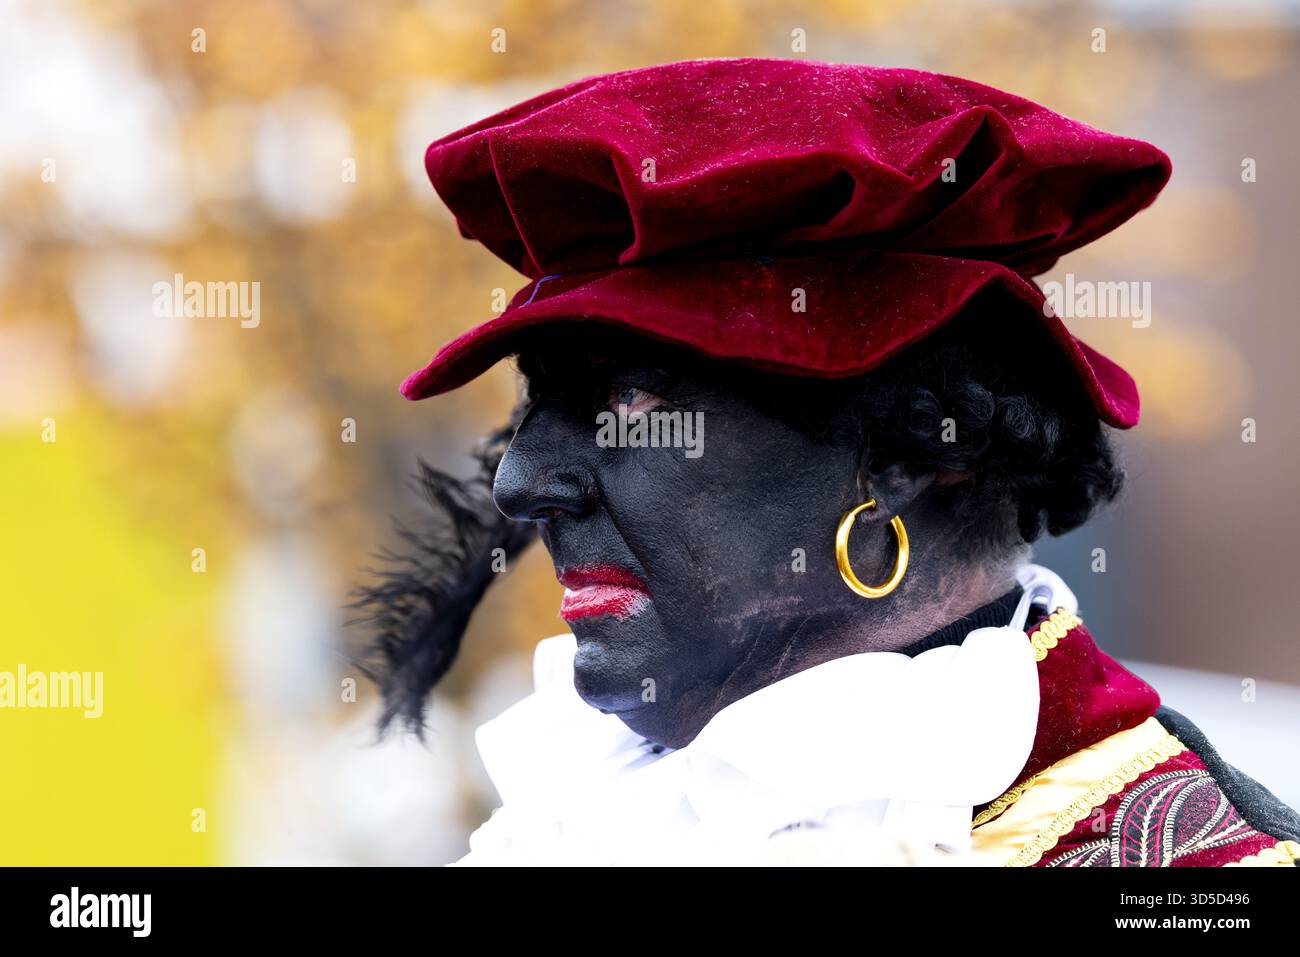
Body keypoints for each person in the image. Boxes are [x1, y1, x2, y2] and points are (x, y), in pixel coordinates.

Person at [356, 58, 1300, 866]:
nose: (522, 484)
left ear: (907, 451)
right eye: (535, 402)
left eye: (631, 398)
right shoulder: (568, 815)